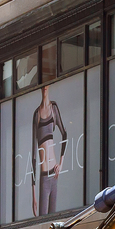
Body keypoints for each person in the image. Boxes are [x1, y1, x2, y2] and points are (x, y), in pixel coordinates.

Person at [31, 86, 68, 216]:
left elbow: (65, 134)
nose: (45, 87)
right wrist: (33, 192)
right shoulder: (37, 114)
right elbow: (33, 155)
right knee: (43, 220)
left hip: (54, 174)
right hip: (44, 176)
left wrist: (61, 164)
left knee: (53, 221)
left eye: (47, 84)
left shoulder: (54, 109)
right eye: (43, 84)